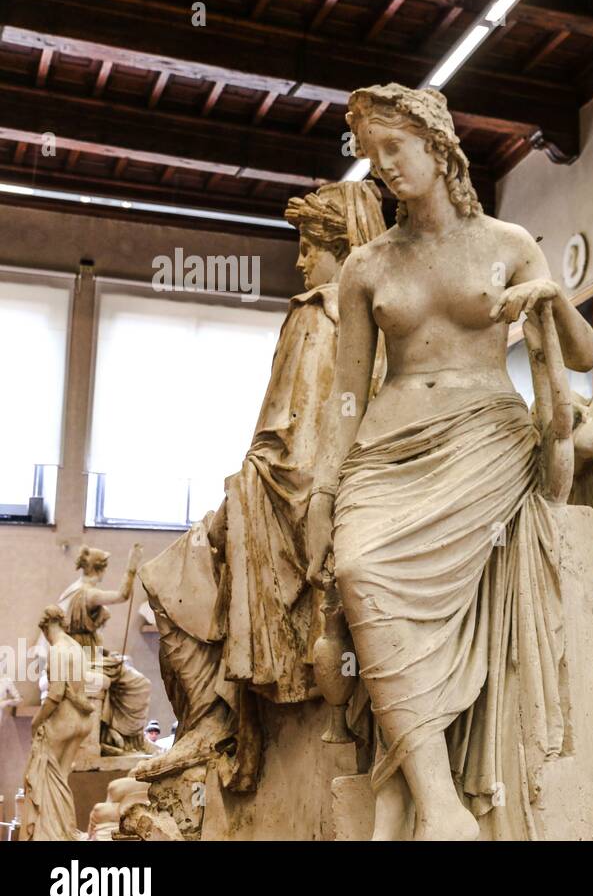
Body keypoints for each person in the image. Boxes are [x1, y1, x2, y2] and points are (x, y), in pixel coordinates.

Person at [304, 83, 593, 841]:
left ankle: (439, 811)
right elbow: (345, 395)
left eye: (394, 149)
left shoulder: (509, 244)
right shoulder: (367, 266)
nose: (384, 168)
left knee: (383, 576)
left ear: (436, 145)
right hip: (388, 447)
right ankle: (438, 799)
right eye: (373, 156)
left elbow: (589, 353)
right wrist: (326, 485)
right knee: (362, 569)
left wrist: (548, 296)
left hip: (486, 441)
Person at [136, 180, 387, 788]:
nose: (300, 261)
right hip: (344, 490)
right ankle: (217, 719)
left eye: (307, 247)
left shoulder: (313, 313)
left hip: (288, 495)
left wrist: (242, 495)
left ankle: (212, 719)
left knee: (166, 577)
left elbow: (282, 434)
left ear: (339, 246)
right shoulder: (382, 320)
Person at [58, 545, 151, 755]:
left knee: (127, 673)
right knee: (140, 684)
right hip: (81, 658)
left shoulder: (72, 590)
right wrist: (132, 566)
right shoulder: (87, 594)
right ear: (101, 568)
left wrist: (108, 654)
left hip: (87, 654)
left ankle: (124, 737)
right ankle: (129, 739)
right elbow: (122, 595)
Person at [19, 607, 99, 841]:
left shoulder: (57, 649)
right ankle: (62, 832)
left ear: (45, 628)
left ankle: (48, 834)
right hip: (82, 720)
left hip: (63, 720)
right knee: (60, 779)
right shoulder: (77, 648)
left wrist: (36, 721)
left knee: (43, 778)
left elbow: (55, 693)